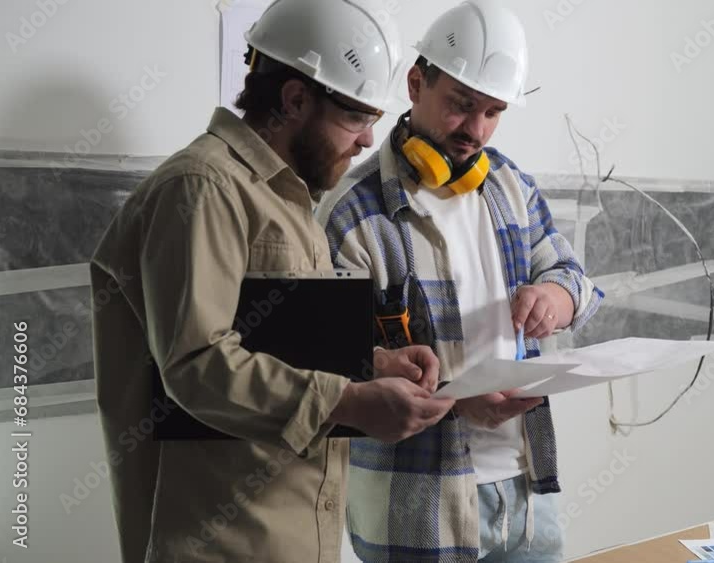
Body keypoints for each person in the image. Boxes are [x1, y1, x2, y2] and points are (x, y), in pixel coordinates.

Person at [90, 1, 454, 561]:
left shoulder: (286, 198)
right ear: (294, 99)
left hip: (291, 534)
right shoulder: (203, 188)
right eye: (357, 117)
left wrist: (370, 362)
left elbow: (270, 338)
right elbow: (197, 365)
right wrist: (351, 401)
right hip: (225, 542)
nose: (365, 142)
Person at [316, 1, 603, 561]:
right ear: (416, 83)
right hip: (415, 502)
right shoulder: (350, 213)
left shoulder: (509, 185)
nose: (476, 130)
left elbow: (575, 278)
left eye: (493, 112)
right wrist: (454, 398)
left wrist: (557, 298)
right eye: (461, 106)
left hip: (526, 488)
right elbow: (319, 366)